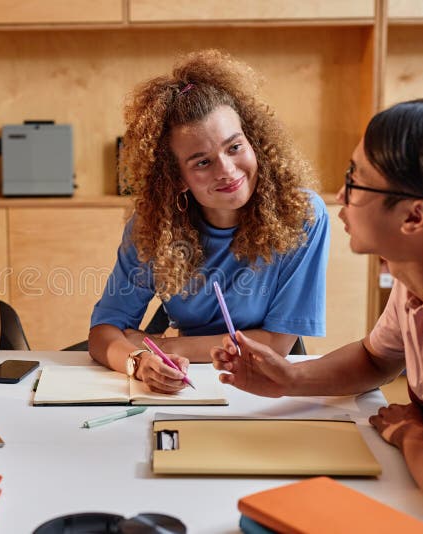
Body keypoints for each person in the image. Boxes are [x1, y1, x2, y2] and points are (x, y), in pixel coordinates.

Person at [212, 99, 423, 520]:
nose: (341, 195)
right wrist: (289, 378)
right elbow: (377, 358)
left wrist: (409, 431)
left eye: (356, 180)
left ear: (414, 217)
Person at [89, 50, 330, 394]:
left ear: (254, 142)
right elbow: (104, 333)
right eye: (202, 162)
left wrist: (164, 346)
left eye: (234, 147)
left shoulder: (303, 214)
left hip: (266, 385)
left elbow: (276, 344)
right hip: (191, 383)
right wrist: (140, 361)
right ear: (178, 177)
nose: (227, 171)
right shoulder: (154, 226)